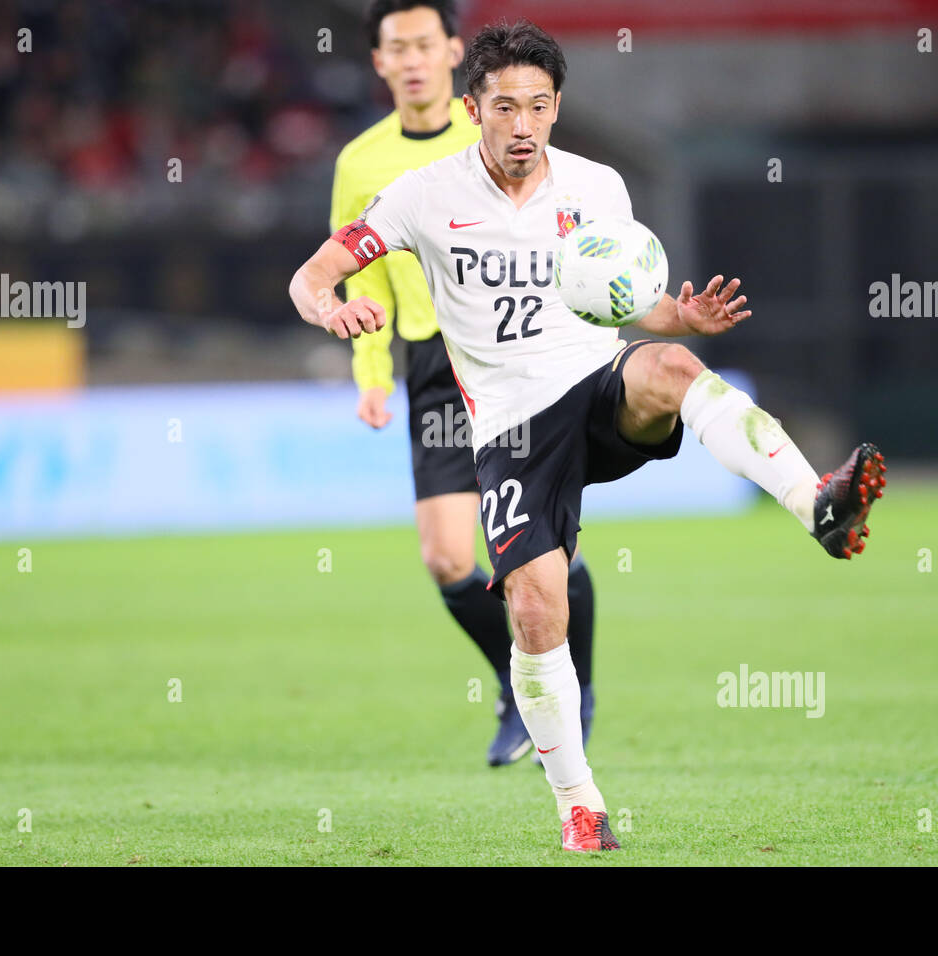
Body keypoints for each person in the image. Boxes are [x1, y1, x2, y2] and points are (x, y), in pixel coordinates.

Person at [290, 20, 886, 851]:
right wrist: (335, 307)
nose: (524, 125)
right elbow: (311, 275)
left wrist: (674, 316)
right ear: (475, 109)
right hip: (509, 427)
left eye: (539, 106)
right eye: (505, 108)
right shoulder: (422, 196)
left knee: (673, 367)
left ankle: (816, 502)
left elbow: (623, 302)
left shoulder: (599, 186)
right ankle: (580, 804)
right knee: (537, 608)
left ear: (558, 107)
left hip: (595, 385)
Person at [331, 1, 599, 766]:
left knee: (545, 555)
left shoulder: (500, 128)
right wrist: (370, 371)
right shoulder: (360, 162)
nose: (413, 59)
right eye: (396, 48)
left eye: (426, 43)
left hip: (518, 363)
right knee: (449, 558)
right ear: (378, 62)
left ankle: (570, 688)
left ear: (454, 52)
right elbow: (359, 274)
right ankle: (521, 687)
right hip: (431, 367)